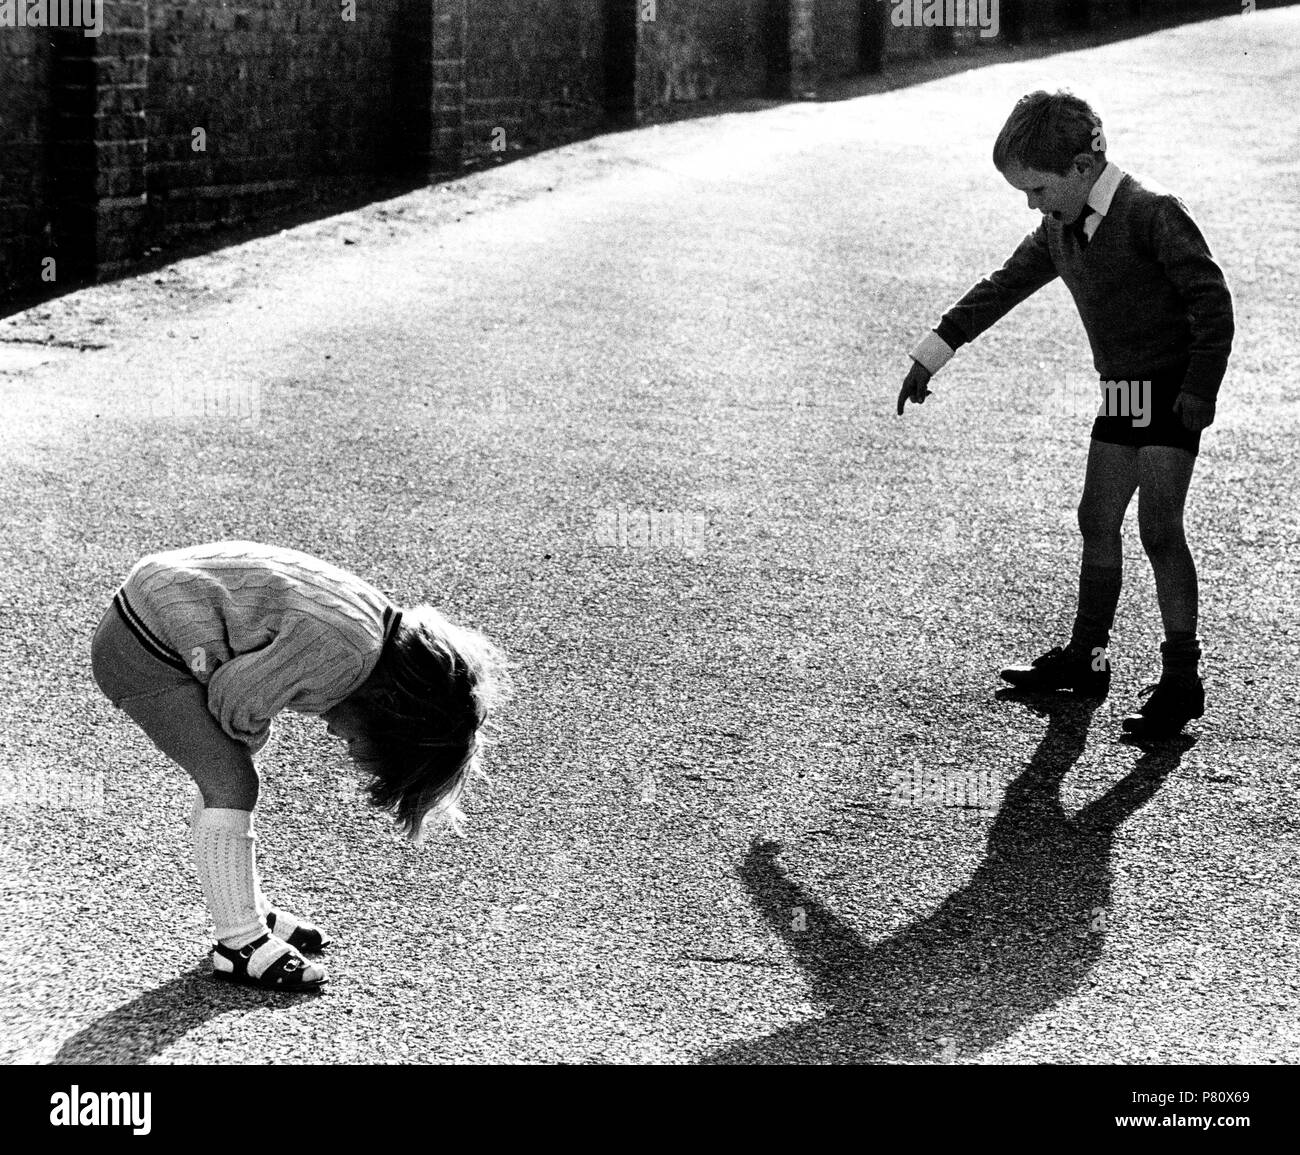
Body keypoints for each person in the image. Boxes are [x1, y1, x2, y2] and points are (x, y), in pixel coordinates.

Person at [897, 90, 1233, 739]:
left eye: (1038, 188)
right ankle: (1088, 657)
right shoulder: (1059, 229)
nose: (1032, 203)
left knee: (1159, 528)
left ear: (1083, 168)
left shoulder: (1150, 212)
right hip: (1123, 392)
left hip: (1170, 391)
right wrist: (934, 351)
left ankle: (1183, 679)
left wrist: (1200, 389)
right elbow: (1003, 285)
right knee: (1096, 517)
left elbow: (1211, 299)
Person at [90, 541, 510, 991]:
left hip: (160, 606)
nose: (338, 739)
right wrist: (248, 734)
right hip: (144, 644)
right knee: (232, 781)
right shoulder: (344, 658)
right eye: (357, 741)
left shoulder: (374, 633)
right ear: (389, 712)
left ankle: (247, 907)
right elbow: (235, 693)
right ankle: (239, 943)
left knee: (227, 773)